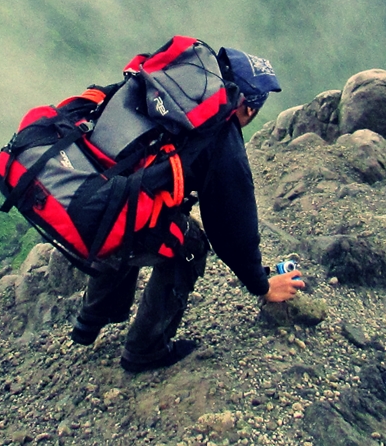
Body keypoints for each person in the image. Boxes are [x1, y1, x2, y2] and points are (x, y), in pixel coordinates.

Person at [69, 46, 305, 373]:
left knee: (130, 214)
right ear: (248, 108)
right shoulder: (218, 134)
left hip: (88, 194)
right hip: (115, 213)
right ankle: (146, 350)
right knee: (189, 244)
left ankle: (91, 319)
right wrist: (261, 286)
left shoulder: (169, 87)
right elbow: (233, 228)